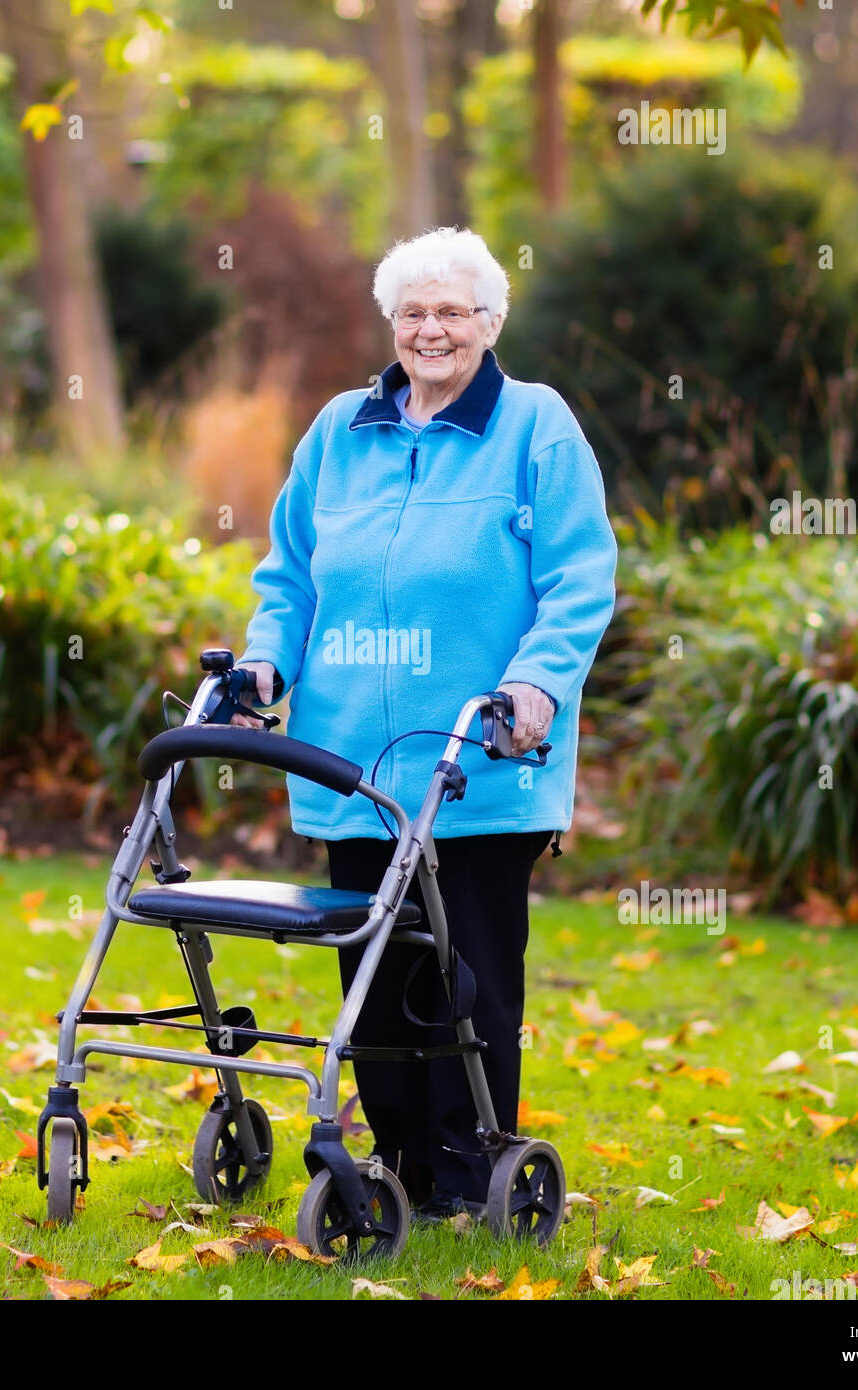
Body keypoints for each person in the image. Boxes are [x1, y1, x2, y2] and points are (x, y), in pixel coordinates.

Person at [230, 225, 617, 1217]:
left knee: (472, 970)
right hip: (351, 761)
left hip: (482, 762)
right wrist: (265, 660)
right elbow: (288, 575)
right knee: (372, 967)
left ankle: (466, 1161)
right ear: (390, 324)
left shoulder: (535, 427)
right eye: (412, 312)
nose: (431, 329)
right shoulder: (338, 432)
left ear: (490, 322)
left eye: (451, 311)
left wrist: (535, 685)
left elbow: (577, 578)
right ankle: (397, 1162)